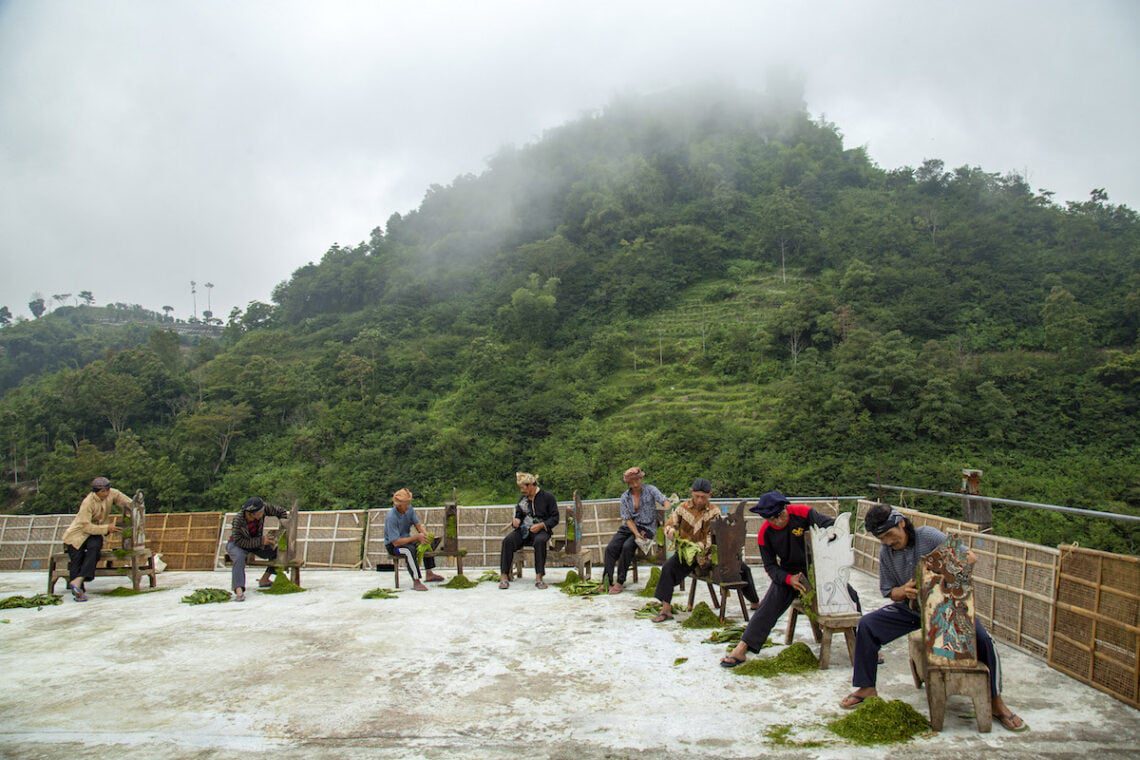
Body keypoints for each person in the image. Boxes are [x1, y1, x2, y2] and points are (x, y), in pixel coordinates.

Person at [839, 504, 1028, 732]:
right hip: (911, 610)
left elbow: (969, 557)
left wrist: (932, 576)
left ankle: (996, 702)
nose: (888, 541)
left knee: (983, 639)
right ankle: (866, 688)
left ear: (901, 523)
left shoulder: (927, 536)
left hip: (946, 607)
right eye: (882, 539)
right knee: (868, 625)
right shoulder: (886, 553)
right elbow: (889, 591)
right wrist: (904, 590)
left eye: (889, 535)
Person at [720, 490, 861, 667]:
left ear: (785, 508)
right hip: (790, 574)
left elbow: (833, 527)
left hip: (818, 570)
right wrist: (788, 579)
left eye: (780, 515)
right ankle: (742, 648)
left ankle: (864, 646)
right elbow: (770, 567)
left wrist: (829, 539)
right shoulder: (765, 534)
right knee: (769, 604)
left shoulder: (803, 513)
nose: (778, 520)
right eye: (772, 519)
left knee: (850, 597)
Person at [651, 478, 757, 622]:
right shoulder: (682, 508)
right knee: (668, 568)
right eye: (697, 496)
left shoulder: (714, 511)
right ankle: (665, 609)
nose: (700, 500)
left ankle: (755, 602)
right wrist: (669, 530)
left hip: (707, 554)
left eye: (703, 497)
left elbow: (712, 537)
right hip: (686, 554)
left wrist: (700, 548)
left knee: (741, 569)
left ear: (709, 495)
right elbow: (671, 522)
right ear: (691, 493)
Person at [60, 476, 129, 601]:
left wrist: (134, 508)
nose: (106, 493)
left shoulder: (112, 493)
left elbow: (126, 501)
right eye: (103, 491)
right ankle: (78, 591)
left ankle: (78, 580)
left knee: (95, 548)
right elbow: (86, 526)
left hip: (95, 533)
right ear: (98, 491)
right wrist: (107, 528)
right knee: (77, 559)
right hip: (78, 535)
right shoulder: (88, 503)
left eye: (107, 490)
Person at [602, 467, 669, 594]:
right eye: (631, 481)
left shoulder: (651, 490)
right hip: (630, 527)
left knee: (627, 547)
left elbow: (665, 501)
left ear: (641, 478)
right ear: (628, 483)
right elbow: (627, 519)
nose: (635, 483)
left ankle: (620, 582)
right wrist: (636, 534)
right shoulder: (625, 497)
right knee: (611, 548)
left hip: (647, 527)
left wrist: (667, 513)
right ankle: (606, 580)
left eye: (637, 479)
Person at [499, 472, 559, 590]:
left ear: (531, 485)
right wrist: (516, 520)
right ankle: (504, 576)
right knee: (508, 541)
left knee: (540, 541)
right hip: (524, 530)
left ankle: (539, 577)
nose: (522, 491)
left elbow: (555, 518)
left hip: (541, 531)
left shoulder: (548, 497)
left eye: (523, 488)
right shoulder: (523, 499)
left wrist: (542, 525)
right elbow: (518, 515)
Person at [227, 497, 289, 602]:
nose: (263, 514)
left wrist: (282, 528)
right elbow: (240, 541)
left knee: (278, 551)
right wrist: (261, 541)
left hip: (257, 541)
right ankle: (239, 590)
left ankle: (264, 579)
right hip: (237, 544)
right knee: (239, 557)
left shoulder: (263, 509)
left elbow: (281, 511)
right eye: (260, 513)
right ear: (251, 514)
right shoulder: (238, 520)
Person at [384, 488, 445, 591]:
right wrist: (416, 537)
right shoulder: (391, 517)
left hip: (407, 540)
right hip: (394, 547)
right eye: (406, 504)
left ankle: (429, 574)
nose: (408, 506)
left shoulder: (409, 509)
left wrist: (425, 535)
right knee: (409, 551)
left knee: (425, 543)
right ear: (399, 505)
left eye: (409, 503)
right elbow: (395, 542)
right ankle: (416, 581)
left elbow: (418, 525)